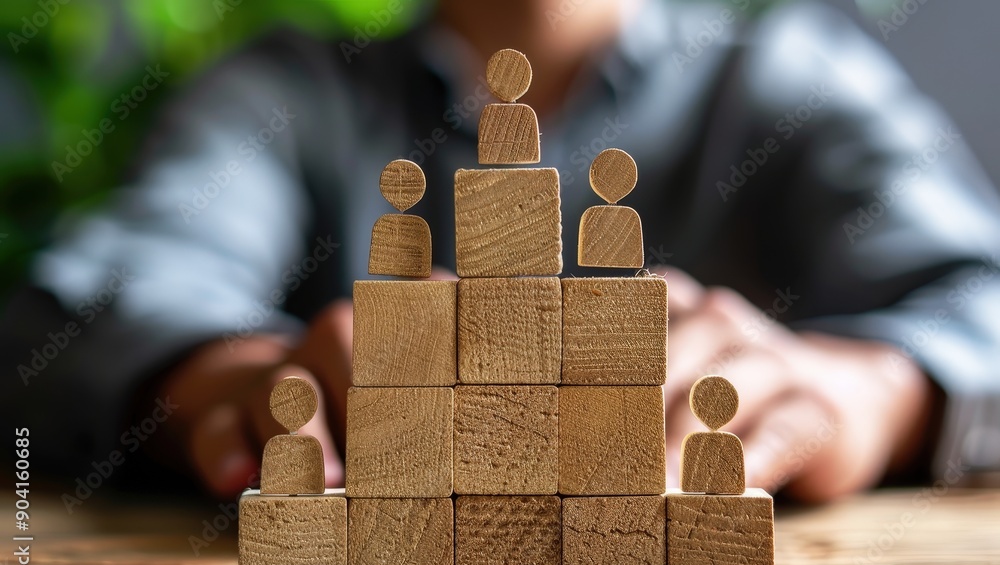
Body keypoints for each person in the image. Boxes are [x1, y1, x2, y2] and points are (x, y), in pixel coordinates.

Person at [5, 0, 1000, 502]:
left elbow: (979, 294)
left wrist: (876, 392)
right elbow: (81, 304)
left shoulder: (794, 72)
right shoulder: (286, 91)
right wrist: (222, 377)